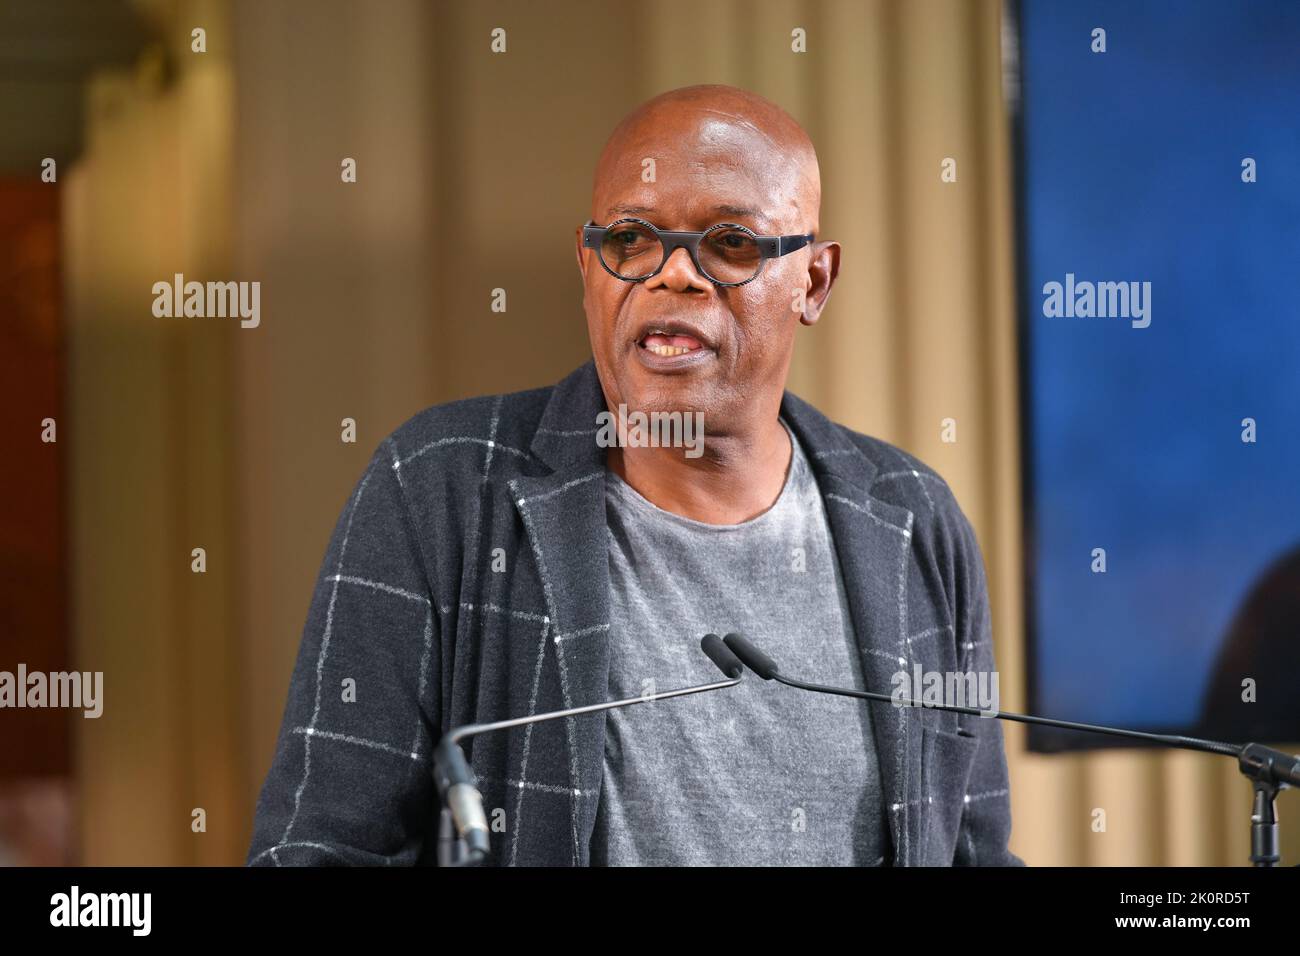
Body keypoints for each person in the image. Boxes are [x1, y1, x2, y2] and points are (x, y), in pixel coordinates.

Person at [247, 84, 1022, 866]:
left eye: (729, 242)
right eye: (630, 238)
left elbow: (974, 851)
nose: (672, 276)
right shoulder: (438, 490)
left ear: (813, 283)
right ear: (588, 266)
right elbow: (317, 851)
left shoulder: (915, 518)